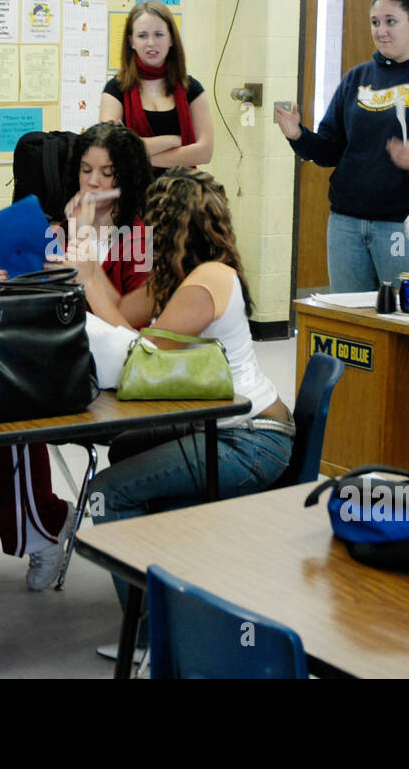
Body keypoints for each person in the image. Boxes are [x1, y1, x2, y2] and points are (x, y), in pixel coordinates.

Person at [78, 168, 293, 648]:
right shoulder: (181, 276)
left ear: (168, 227)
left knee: (107, 492)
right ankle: (171, 600)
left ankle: (156, 639)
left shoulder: (205, 283)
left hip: (250, 440)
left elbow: (138, 359)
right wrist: (88, 266)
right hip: (232, 429)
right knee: (126, 451)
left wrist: (89, 270)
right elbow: (118, 315)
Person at [0, 122, 154, 590]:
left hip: (117, 374)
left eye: (107, 174)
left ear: (127, 178)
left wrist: (86, 261)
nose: (93, 183)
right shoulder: (56, 229)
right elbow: (35, 307)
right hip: (57, 359)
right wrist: (7, 284)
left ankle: (42, 528)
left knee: (10, 408)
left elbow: (127, 329)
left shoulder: (141, 238)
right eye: (86, 171)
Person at [275, 0, 409, 292]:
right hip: (347, 223)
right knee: (351, 326)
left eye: (390, 22)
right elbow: (331, 150)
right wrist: (297, 135)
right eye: (374, 22)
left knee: (402, 321)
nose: (380, 31)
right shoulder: (358, 78)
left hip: (405, 225)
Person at [100, 0, 213, 168]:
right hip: (133, 191)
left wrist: (136, 153)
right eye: (142, 35)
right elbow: (109, 150)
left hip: (182, 190)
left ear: (171, 39)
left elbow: (204, 153)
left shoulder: (191, 88)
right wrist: (175, 140)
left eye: (159, 34)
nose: (151, 43)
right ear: (131, 42)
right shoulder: (116, 89)